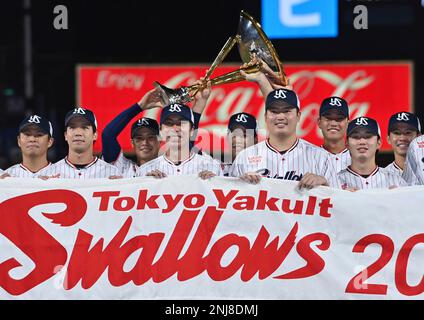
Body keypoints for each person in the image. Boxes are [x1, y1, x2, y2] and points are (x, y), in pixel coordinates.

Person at [230, 88, 337, 189]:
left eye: (286, 111)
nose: (280, 117)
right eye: (274, 111)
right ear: (265, 117)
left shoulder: (321, 157)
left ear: (298, 115)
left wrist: (325, 184)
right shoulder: (244, 157)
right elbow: (226, 200)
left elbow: (340, 203)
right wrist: (240, 185)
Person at [102, 83, 211, 177]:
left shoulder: (172, 166)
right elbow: (107, 136)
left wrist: (198, 107)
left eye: (151, 137)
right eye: (139, 138)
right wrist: (139, 106)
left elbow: (185, 140)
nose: (145, 143)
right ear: (132, 143)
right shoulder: (123, 167)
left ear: (160, 139)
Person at [135, 103, 222, 178]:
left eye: (181, 123)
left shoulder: (212, 167)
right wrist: (147, 184)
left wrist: (213, 183)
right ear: (160, 131)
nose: (175, 129)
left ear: (192, 131)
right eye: (169, 123)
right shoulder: (144, 171)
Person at [43, 107, 120, 179]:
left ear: (95, 135)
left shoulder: (112, 173)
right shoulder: (48, 174)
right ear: (65, 135)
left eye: (84, 127)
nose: (78, 133)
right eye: (72, 127)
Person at [336, 117, 407, 190]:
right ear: (347, 144)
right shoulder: (335, 182)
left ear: (379, 143)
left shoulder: (396, 181)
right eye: (356, 137)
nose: (362, 142)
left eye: (368, 136)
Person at [317, 97, 351, 172]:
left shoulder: (360, 159)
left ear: (348, 123)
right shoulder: (309, 157)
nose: (333, 123)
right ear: (319, 122)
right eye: (328, 118)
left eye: (339, 119)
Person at [385, 112, 421, 177]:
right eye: (396, 133)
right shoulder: (381, 177)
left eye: (408, 133)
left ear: (419, 138)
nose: (402, 138)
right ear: (388, 139)